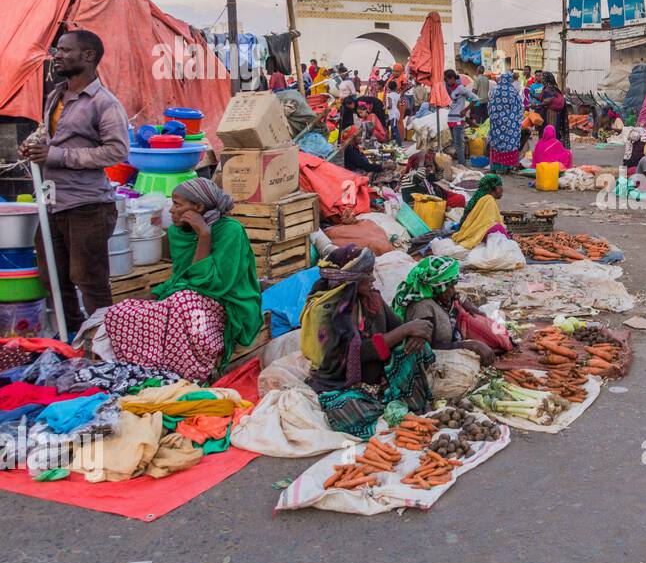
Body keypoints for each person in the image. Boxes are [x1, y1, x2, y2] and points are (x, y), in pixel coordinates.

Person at [20, 30, 130, 335]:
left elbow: (117, 151)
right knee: (52, 276)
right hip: (54, 203)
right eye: (57, 50)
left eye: (65, 50)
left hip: (88, 206)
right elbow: (52, 138)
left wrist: (57, 155)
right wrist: (35, 146)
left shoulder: (103, 103)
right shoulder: (57, 96)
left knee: (89, 279)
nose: (57, 55)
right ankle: (72, 336)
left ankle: (103, 342)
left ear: (88, 56)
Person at [102, 179, 262, 383]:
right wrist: (154, 298)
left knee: (184, 304)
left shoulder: (231, 231)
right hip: (186, 294)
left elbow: (211, 283)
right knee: (120, 312)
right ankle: (150, 370)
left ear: (198, 208)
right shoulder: (178, 232)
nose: (171, 211)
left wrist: (204, 235)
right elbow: (181, 277)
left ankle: (193, 374)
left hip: (226, 303)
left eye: (177, 205)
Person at [301, 245, 436, 439]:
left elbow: (397, 327)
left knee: (416, 349)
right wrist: (406, 329)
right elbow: (354, 355)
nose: (373, 279)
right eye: (367, 274)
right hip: (343, 384)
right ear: (351, 280)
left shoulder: (372, 300)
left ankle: (400, 404)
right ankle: (386, 407)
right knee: (347, 411)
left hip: (379, 376)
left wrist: (416, 333)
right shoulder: (325, 314)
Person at [392, 256, 505, 364]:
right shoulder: (422, 307)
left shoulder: (438, 294)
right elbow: (428, 349)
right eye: (449, 287)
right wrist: (470, 345)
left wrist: (467, 304)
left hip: (455, 340)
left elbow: (455, 294)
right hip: (438, 356)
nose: (452, 290)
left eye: (453, 285)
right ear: (435, 287)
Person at [452, 173, 508, 250]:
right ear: (496, 188)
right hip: (476, 233)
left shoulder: (483, 197)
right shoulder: (489, 200)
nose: (502, 189)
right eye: (501, 186)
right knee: (499, 229)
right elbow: (488, 223)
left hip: (471, 230)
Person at [488, 72, 524, 171]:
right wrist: (515, 120)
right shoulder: (512, 91)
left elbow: (490, 106)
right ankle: (509, 166)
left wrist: (496, 117)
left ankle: (496, 166)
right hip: (510, 123)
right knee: (509, 143)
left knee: (496, 142)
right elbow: (519, 107)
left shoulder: (495, 90)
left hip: (496, 123)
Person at [446, 71, 478, 165]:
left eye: (447, 79)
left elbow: (475, 98)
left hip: (458, 120)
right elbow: (453, 104)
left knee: (459, 145)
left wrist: (465, 110)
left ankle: (462, 165)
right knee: (456, 144)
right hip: (451, 119)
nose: (446, 82)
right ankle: (460, 164)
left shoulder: (460, 88)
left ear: (452, 78)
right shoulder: (450, 89)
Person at [539, 72, 570, 148]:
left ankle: (549, 149)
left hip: (550, 114)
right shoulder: (555, 88)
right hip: (557, 114)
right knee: (555, 131)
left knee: (549, 132)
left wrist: (536, 105)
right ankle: (556, 148)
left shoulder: (547, 89)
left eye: (543, 78)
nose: (541, 80)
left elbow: (547, 101)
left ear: (546, 79)